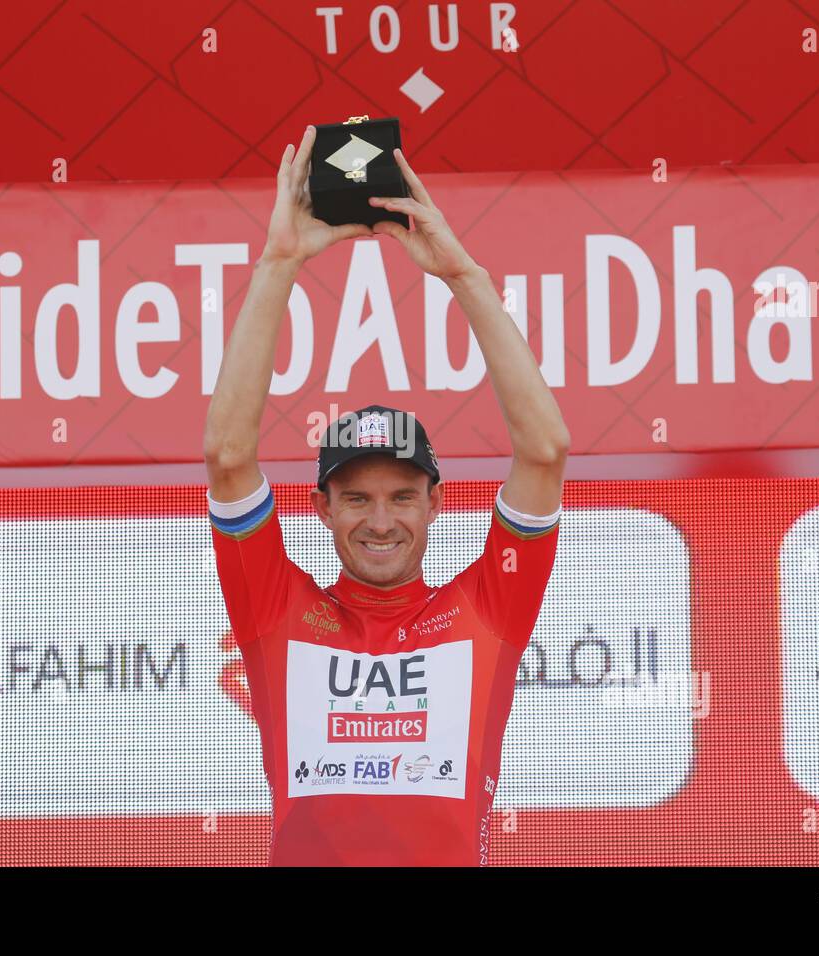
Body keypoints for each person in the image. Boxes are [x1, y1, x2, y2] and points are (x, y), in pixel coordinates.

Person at [203, 125, 570, 865]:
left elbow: (545, 451)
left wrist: (463, 276)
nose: (380, 520)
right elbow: (228, 455)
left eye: (402, 496)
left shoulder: (486, 610)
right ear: (323, 510)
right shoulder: (276, 606)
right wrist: (278, 262)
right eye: (357, 498)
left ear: (435, 505)